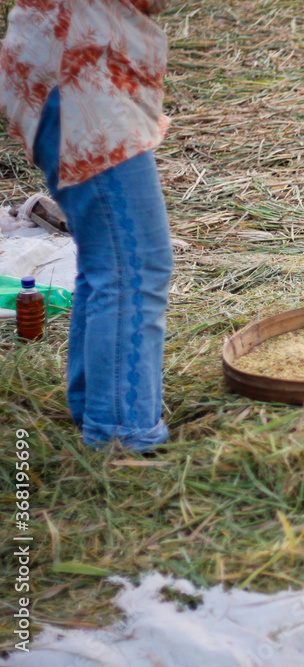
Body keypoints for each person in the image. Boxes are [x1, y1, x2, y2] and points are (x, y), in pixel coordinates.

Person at [0, 1, 173, 452]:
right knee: (133, 265)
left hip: (71, 59)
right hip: (79, 70)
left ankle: (98, 407)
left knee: (108, 258)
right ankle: (121, 432)